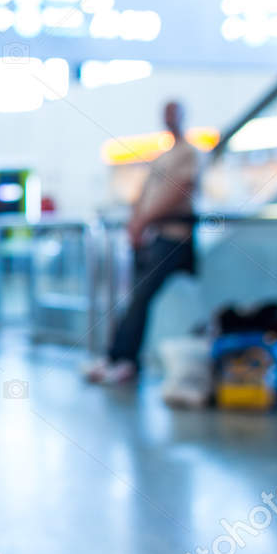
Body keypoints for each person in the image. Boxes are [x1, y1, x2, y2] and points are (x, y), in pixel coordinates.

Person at [84, 101, 199, 385]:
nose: (169, 119)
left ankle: (124, 360)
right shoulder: (164, 156)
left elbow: (181, 189)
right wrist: (137, 223)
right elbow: (144, 194)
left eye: (174, 113)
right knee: (135, 296)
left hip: (174, 236)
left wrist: (145, 220)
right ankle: (117, 357)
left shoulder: (188, 153)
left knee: (140, 296)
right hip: (154, 235)